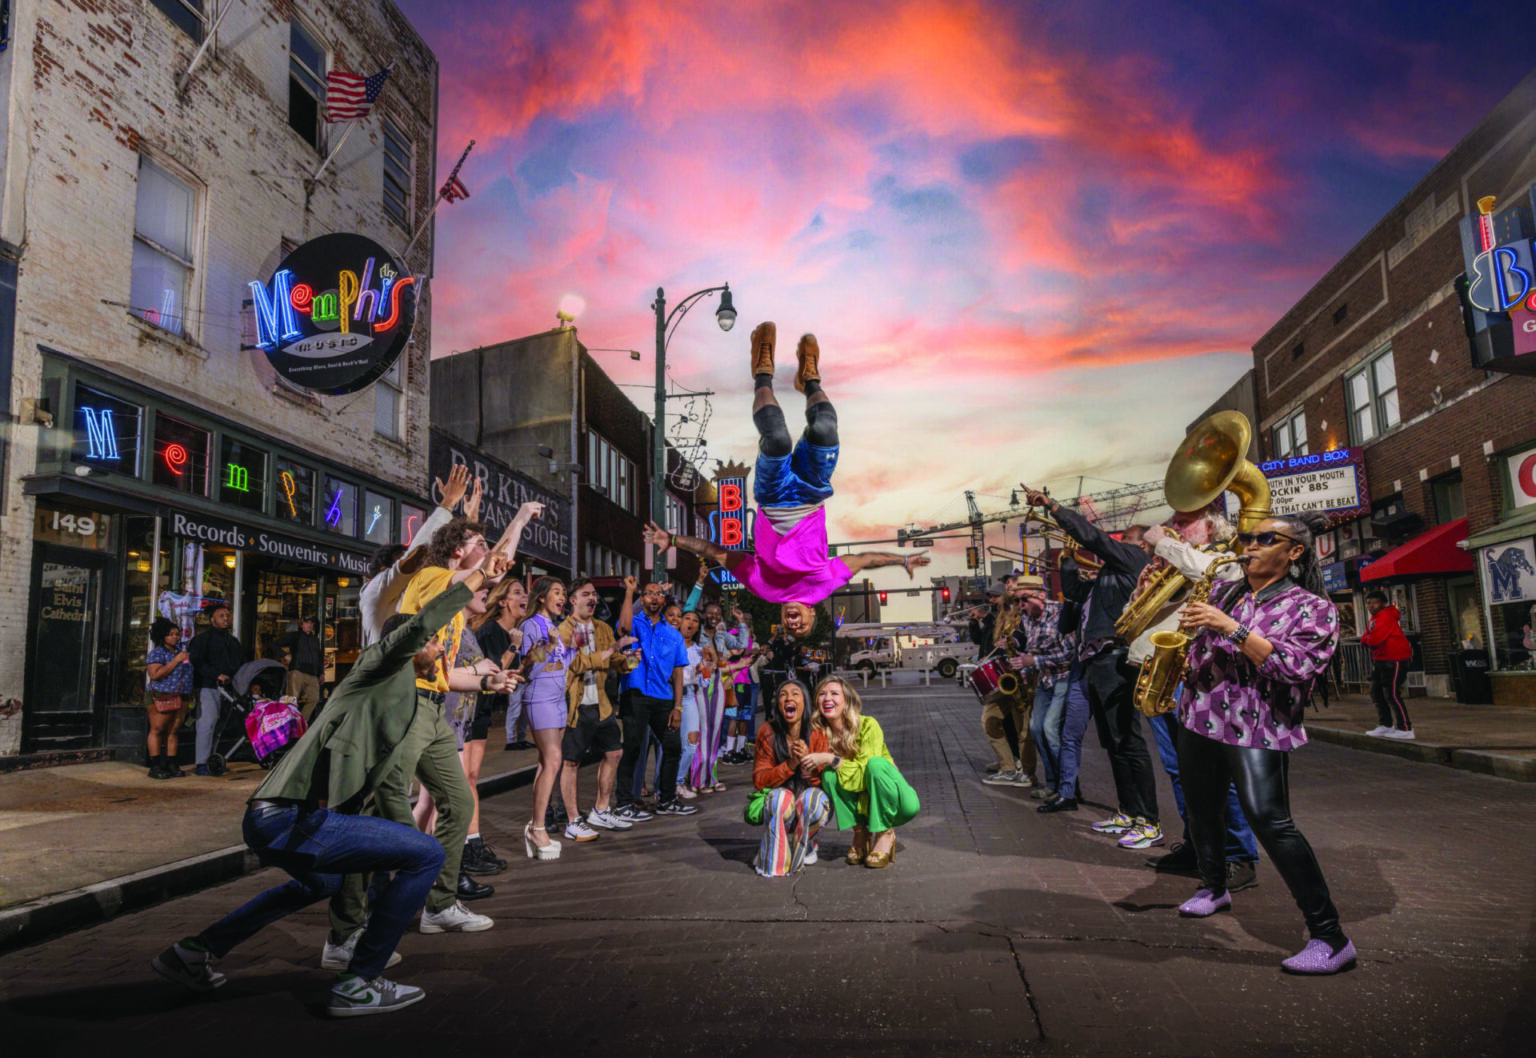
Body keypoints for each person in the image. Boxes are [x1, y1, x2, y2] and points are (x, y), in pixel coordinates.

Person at [151, 554, 506, 1016]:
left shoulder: (394, 698)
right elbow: (417, 631)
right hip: (289, 816)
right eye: (435, 643)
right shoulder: (376, 666)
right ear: (407, 641)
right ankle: (359, 981)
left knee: (319, 883)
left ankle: (195, 951)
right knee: (428, 854)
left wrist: (487, 681)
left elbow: (377, 782)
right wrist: (477, 575)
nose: (441, 650)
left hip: (282, 818)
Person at [642, 322, 929, 641]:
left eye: (791, 628)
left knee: (777, 439)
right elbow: (864, 559)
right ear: (811, 614)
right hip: (811, 493)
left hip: (774, 496)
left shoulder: (762, 587)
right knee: (824, 429)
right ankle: (810, 380)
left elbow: (717, 551)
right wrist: (902, 559)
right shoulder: (824, 586)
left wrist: (673, 539)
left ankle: (762, 371)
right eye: (802, 626)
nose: (794, 624)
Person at [1173, 512, 1355, 975]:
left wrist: (1229, 628)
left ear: (1294, 552)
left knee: (1271, 822)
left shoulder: (1314, 608)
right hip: (1199, 715)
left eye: (1264, 539)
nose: (1249, 546)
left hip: (1257, 725)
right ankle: (1213, 887)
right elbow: (1195, 646)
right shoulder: (1225, 591)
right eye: (1246, 538)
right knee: (1200, 807)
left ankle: (1331, 937)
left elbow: (1293, 668)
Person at [1020, 485, 1162, 849]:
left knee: (1128, 741)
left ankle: (1149, 821)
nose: (1119, 541)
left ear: (1143, 547)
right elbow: (1074, 597)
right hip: (1094, 660)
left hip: (1115, 658)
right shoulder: (1107, 578)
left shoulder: (1134, 561)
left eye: (1127, 539)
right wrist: (1067, 558)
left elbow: (1096, 539)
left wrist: (1054, 506)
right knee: (1112, 742)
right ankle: (1129, 812)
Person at [1135, 516, 1261, 888]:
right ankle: (1199, 846)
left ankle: (1239, 857)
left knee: (1218, 775)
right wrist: (1141, 590)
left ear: (1211, 529)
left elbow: (1223, 574)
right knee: (1179, 772)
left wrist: (1164, 544)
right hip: (1160, 674)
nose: (1174, 525)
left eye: (1186, 522)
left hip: (1195, 678)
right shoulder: (1175, 565)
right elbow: (1142, 617)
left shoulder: (1221, 558)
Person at [802, 675, 919, 868]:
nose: (827, 698)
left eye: (834, 693)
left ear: (846, 700)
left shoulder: (868, 725)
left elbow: (865, 774)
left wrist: (830, 759)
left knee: (875, 765)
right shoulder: (821, 735)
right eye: (822, 694)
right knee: (829, 775)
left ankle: (884, 833)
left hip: (897, 804)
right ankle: (860, 832)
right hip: (864, 807)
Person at [555, 578, 636, 838]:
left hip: (600, 704)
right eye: (586, 594)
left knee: (614, 752)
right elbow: (576, 664)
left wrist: (630, 661)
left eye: (594, 595)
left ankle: (600, 810)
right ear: (573, 600)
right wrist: (613, 649)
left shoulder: (602, 628)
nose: (592, 599)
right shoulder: (564, 630)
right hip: (575, 705)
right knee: (571, 762)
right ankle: (572, 820)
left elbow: (615, 661)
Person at [359, 465, 468, 646]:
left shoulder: (416, 592)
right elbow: (416, 554)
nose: (418, 568)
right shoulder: (374, 592)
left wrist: (469, 521)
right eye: (401, 563)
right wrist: (447, 504)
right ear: (384, 572)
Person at [613, 579, 695, 821]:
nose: (654, 598)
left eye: (658, 594)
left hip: (663, 698)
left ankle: (667, 799)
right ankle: (624, 804)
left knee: (673, 747)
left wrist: (678, 707)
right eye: (649, 594)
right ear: (643, 599)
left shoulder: (673, 634)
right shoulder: (635, 624)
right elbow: (623, 629)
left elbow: (678, 671)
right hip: (635, 695)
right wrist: (630, 593)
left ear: (663, 600)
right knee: (632, 748)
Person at [750, 679, 831, 876]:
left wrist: (808, 766)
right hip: (782, 806)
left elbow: (827, 782)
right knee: (778, 799)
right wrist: (790, 764)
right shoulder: (768, 731)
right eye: (783, 694)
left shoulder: (818, 732)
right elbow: (759, 780)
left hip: (807, 806)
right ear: (778, 703)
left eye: (795, 693)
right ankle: (776, 850)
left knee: (814, 800)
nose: (789, 698)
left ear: (805, 702)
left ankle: (806, 842)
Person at [519, 576, 575, 856]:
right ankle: (537, 828)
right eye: (557, 591)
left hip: (558, 699)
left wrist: (573, 649)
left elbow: (561, 666)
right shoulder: (529, 626)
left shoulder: (554, 627)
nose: (562, 597)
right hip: (539, 697)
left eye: (563, 592)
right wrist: (550, 647)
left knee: (546, 763)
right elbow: (526, 671)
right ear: (541, 597)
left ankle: (536, 825)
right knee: (554, 759)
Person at [1014, 586, 1076, 802]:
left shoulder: (1060, 613)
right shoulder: (1027, 619)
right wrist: (1025, 668)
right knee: (1036, 728)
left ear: (1041, 595)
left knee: (1051, 729)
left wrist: (1034, 661)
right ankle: (1052, 783)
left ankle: (1067, 786)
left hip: (1064, 677)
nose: (1020, 605)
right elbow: (1032, 651)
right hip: (1044, 679)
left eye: (1023, 599)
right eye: (1017, 601)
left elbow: (1070, 654)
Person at [188, 604, 243, 777]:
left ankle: (212, 762)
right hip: (208, 686)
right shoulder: (203, 639)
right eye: (221, 616)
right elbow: (197, 662)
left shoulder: (233, 641)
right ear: (212, 619)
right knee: (207, 724)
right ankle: (201, 763)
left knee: (219, 727)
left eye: (227, 615)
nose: (226, 618)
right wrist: (216, 675)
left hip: (229, 689)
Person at [1361, 589, 1414, 739]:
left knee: (1391, 693)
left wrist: (1368, 641)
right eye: (1368, 603)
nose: (1371, 606)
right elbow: (1366, 637)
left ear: (1383, 603)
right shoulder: (1374, 618)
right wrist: (1367, 641)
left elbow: (1375, 638)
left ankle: (1405, 728)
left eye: (1374, 602)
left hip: (1394, 658)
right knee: (1376, 692)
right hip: (1381, 659)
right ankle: (1386, 725)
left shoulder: (1386, 616)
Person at [145, 618, 193, 779]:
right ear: (161, 636)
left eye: (177, 634)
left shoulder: (182, 651)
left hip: (182, 695)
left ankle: (171, 763)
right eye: (170, 634)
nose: (175, 637)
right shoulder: (157, 653)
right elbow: (155, 675)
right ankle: (155, 765)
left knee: (174, 730)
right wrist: (175, 661)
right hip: (161, 695)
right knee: (157, 730)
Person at [274, 617, 324, 721]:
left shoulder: (315, 639)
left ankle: (300, 723)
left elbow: (319, 657)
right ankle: (289, 726)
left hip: (312, 674)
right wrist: (285, 656)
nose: (309, 625)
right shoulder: (295, 636)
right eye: (306, 622)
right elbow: (274, 645)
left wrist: (321, 673)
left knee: (314, 699)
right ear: (302, 624)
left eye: (311, 623)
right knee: (292, 701)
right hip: (297, 671)